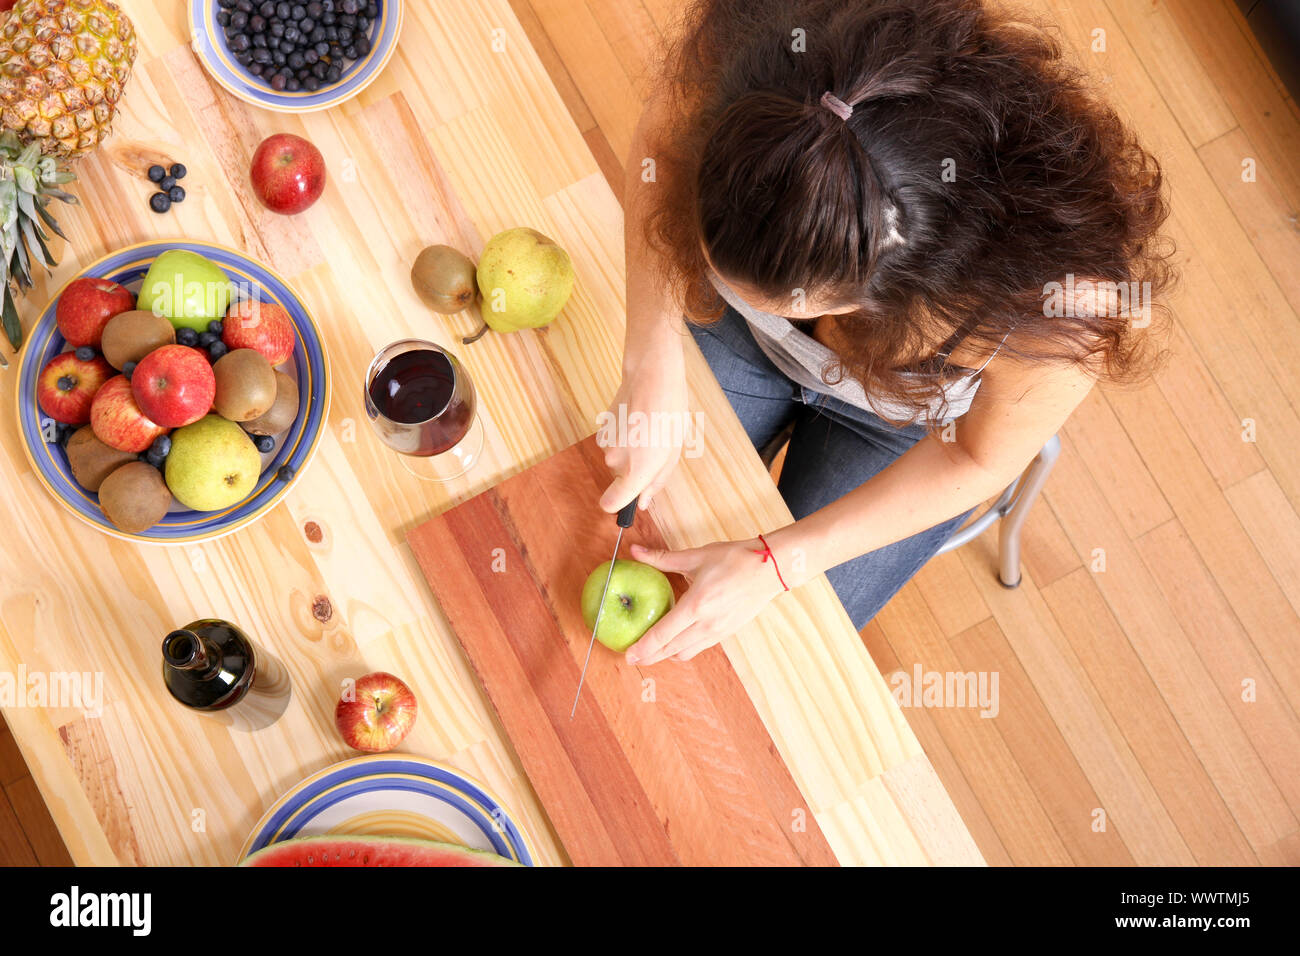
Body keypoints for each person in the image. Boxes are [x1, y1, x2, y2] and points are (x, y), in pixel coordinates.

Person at [600, 0, 1173, 665]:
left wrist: (777, 563)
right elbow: (660, 155)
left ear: (909, 277)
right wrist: (650, 357)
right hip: (739, 341)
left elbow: (979, 458)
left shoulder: (1055, 301)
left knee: (762, 652)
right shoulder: (763, 56)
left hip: (906, 426)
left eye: (793, 299)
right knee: (622, 519)